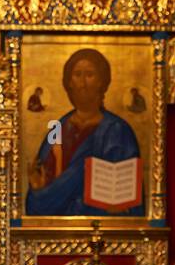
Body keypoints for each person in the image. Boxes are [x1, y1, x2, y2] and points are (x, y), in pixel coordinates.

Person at [25, 48, 143, 216]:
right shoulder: (57, 127)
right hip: (57, 226)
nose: (82, 82)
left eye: (89, 74)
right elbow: (42, 178)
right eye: (77, 74)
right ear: (69, 82)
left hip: (102, 225)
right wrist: (38, 188)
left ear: (101, 81)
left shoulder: (118, 130)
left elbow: (127, 193)